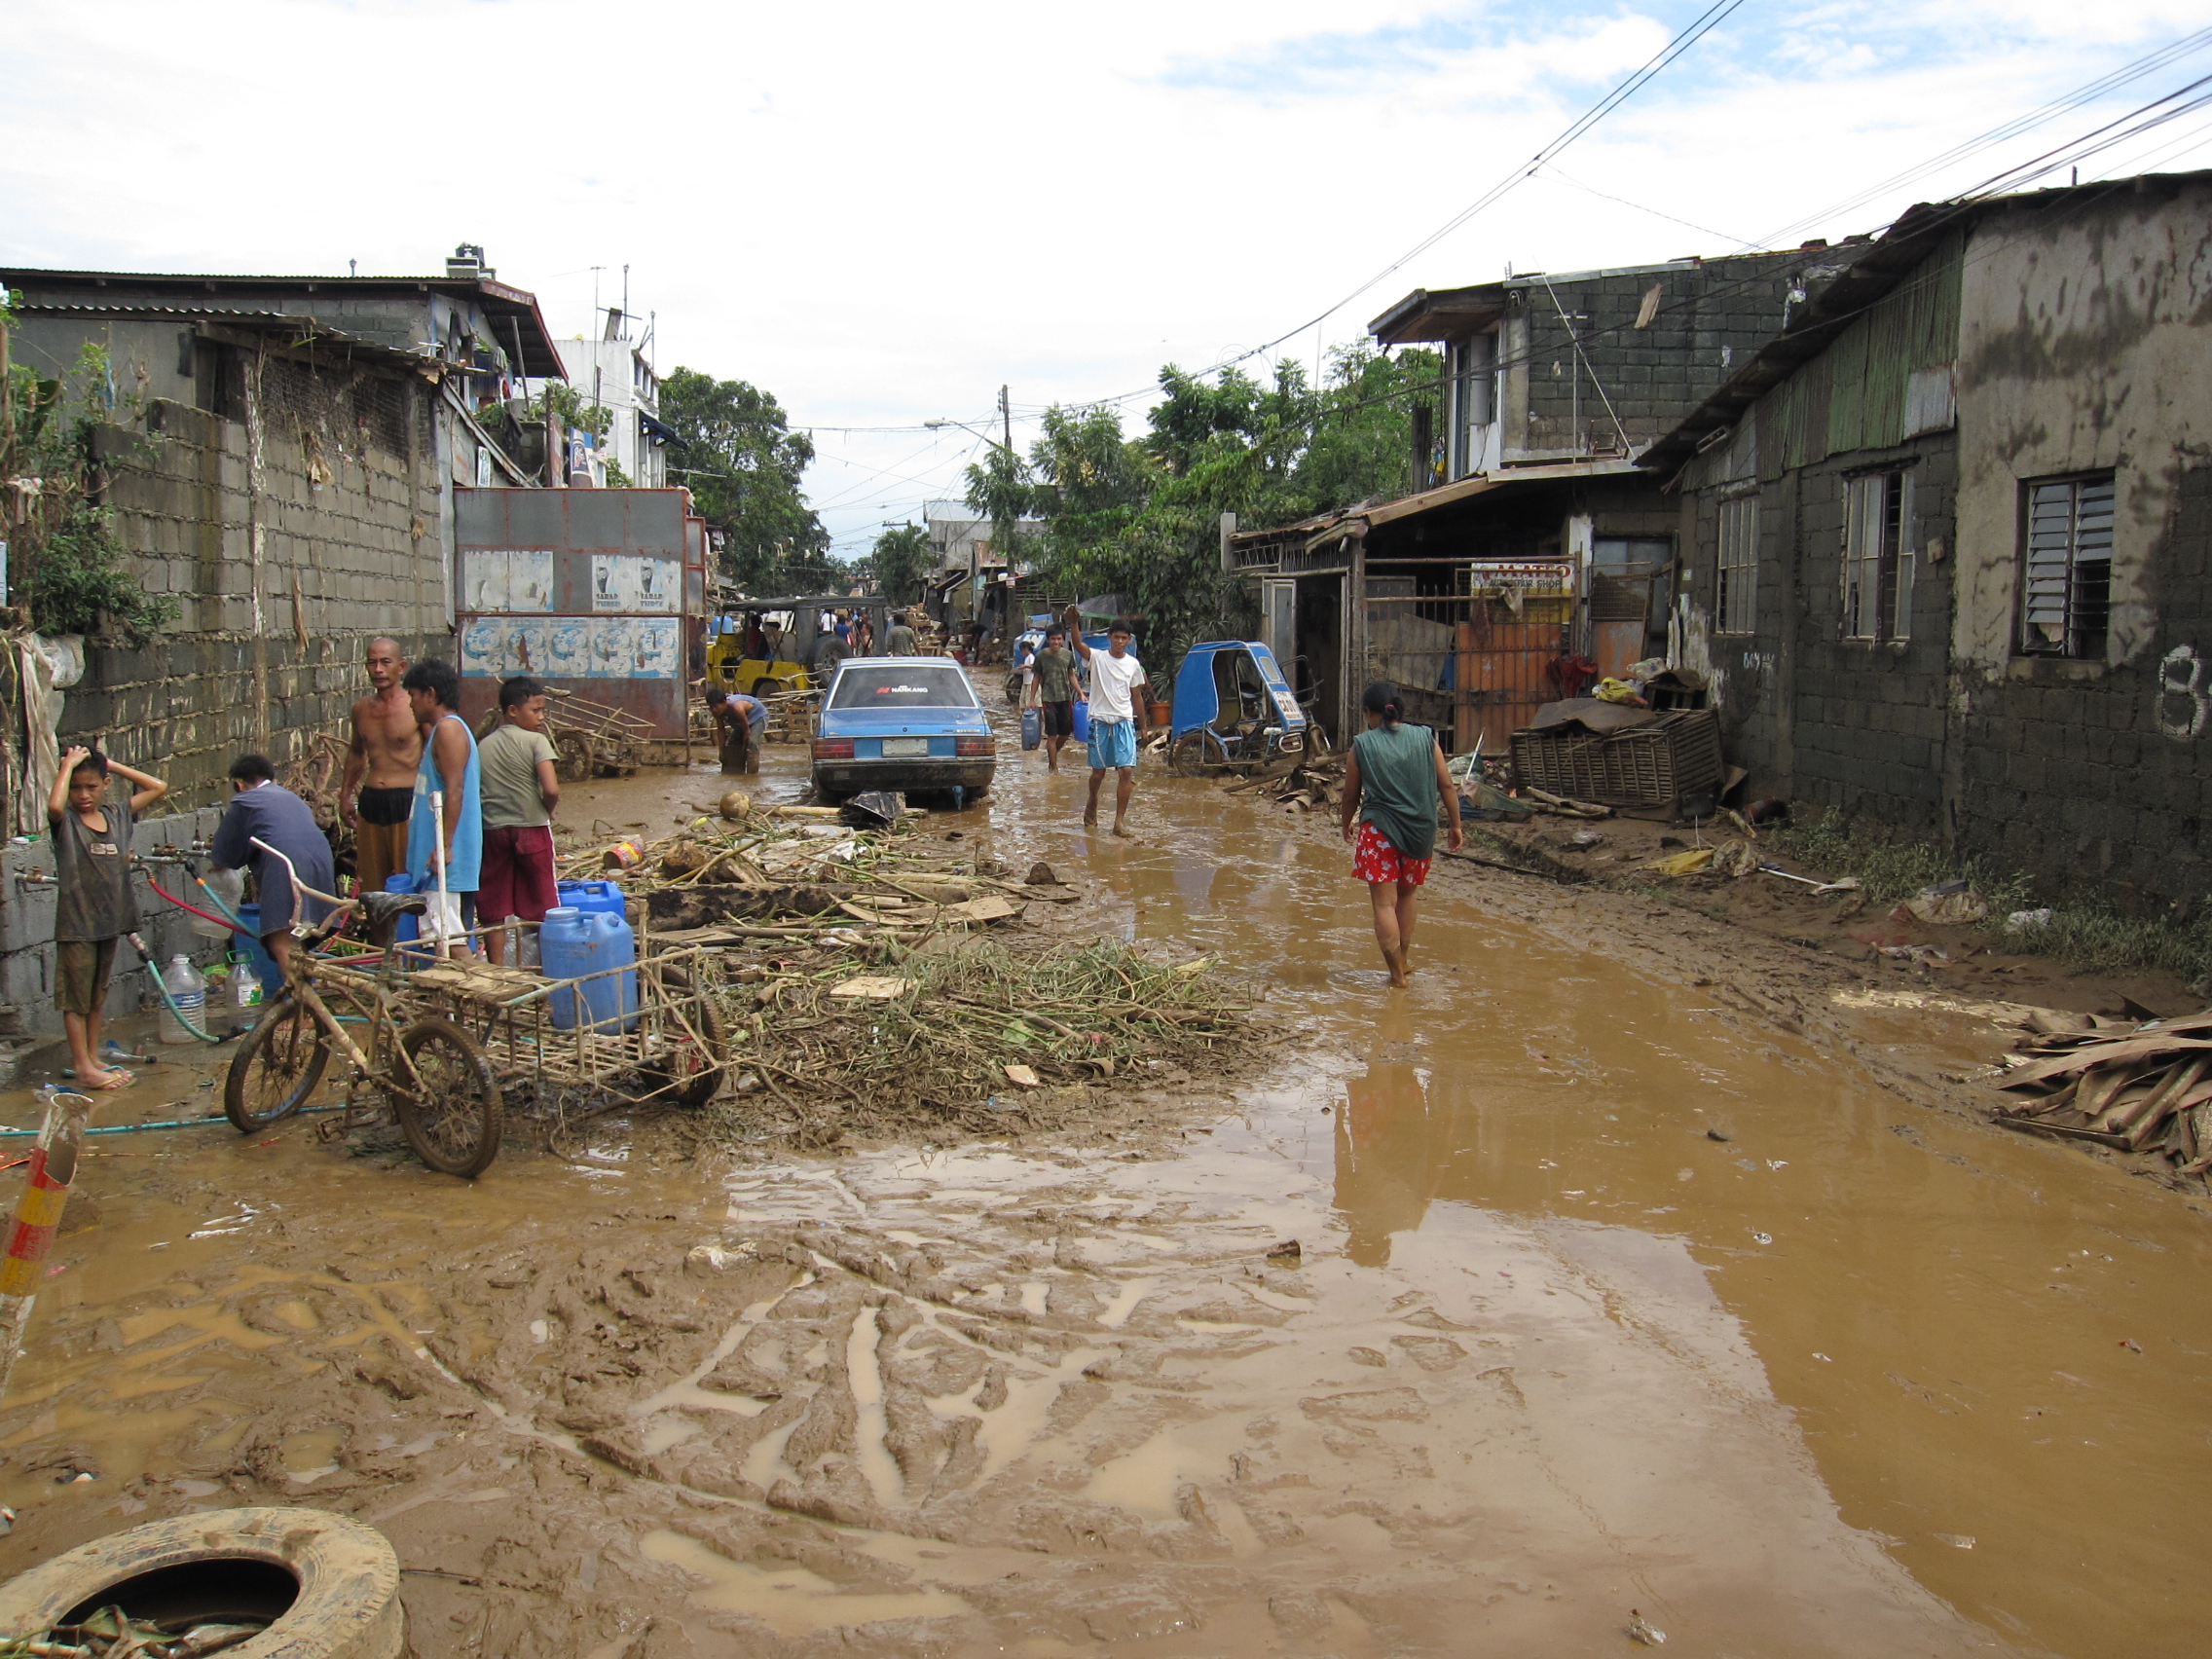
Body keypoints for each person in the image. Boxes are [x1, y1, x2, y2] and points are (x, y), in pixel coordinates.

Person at [49, 746, 166, 1089]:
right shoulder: (67, 822)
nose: (83, 795)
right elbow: (55, 806)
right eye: (75, 787)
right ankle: (83, 1066)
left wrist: (111, 763)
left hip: (110, 921)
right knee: (76, 999)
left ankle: (93, 1056)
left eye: (92, 787)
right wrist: (68, 765)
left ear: (105, 784)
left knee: (97, 995)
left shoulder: (116, 815)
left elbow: (158, 786)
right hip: (77, 924)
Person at [1339, 681, 1463, 988]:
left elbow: (1350, 794)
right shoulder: (1426, 738)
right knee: (1408, 894)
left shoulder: (1362, 745)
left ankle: (1395, 974)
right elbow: (1446, 785)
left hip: (1379, 831)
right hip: (1421, 831)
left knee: (1383, 904)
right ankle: (1403, 961)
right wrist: (1456, 825)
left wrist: (1345, 823)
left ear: (1370, 713)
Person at [209, 754, 334, 982]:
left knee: (280, 941)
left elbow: (224, 857)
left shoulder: (244, 801)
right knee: (301, 935)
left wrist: (214, 866)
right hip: (322, 861)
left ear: (239, 784)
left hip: (286, 862)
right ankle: (304, 999)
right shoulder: (291, 798)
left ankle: (301, 1006)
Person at [477, 676, 560, 967]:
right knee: (542, 898)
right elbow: (551, 788)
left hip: (493, 831)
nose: (541, 717)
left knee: (493, 900)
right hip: (532, 829)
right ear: (512, 711)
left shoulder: (483, 746)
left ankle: (498, 968)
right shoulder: (536, 741)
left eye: (542, 711)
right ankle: (544, 966)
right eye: (535, 710)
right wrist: (546, 810)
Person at [400, 658, 482, 953]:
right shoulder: (438, 731)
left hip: (445, 862)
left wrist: (444, 844)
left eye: (413, 695)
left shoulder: (449, 730)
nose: (410, 703)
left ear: (430, 694)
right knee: (441, 940)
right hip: (435, 860)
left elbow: (455, 790)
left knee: (450, 938)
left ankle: (483, 992)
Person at [341, 637, 424, 899]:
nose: (377, 669)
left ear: (401, 667)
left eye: (385, 662)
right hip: (371, 800)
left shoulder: (415, 706)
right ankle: (380, 940)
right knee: (374, 887)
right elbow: (356, 753)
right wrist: (344, 796)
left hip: (407, 799)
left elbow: (437, 751)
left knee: (407, 881)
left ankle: (409, 938)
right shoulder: (362, 709)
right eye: (372, 663)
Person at [1065, 608, 1149, 837]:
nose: (1120, 641)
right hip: (1100, 722)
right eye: (1116, 637)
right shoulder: (1098, 658)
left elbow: (1137, 695)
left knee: (1126, 772)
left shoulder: (1133, 665)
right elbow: (1078, 645)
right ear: (1109, 638)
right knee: (1098, 774)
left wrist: (1143, 727)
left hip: (1123, 722)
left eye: (1124, 638)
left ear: (1129, 640)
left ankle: (1118, 823)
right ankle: (1092, 800)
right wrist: (1074, 624)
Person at [1030, 624, 1080, 774]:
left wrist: (1081, 693)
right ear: (1048, 640)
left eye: (1059, 639)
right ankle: (1053, 767)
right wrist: (1032, 699)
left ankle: (1052, 754)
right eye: (1053, 639)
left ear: (1063, 640)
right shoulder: (1041, 656)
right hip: (1048, 699)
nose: (1056, 642)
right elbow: (1036, 678)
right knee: (1052, 734)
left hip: (1065, 698)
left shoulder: (1068, 655)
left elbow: (1071, 675)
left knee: (1065, 734)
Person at [706, 686, 767, 774]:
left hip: (758, 718)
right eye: (711, 707)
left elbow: (746, 732)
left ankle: (752, 775)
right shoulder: (716, 712)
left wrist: (745, 746)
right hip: (742, 721)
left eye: (716, 706)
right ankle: (734, 772)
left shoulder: (737, 708)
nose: (714, 710)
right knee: (732, 745)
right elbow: (721, 731)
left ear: (724, 702)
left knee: (752, 743)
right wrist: (721, 750)